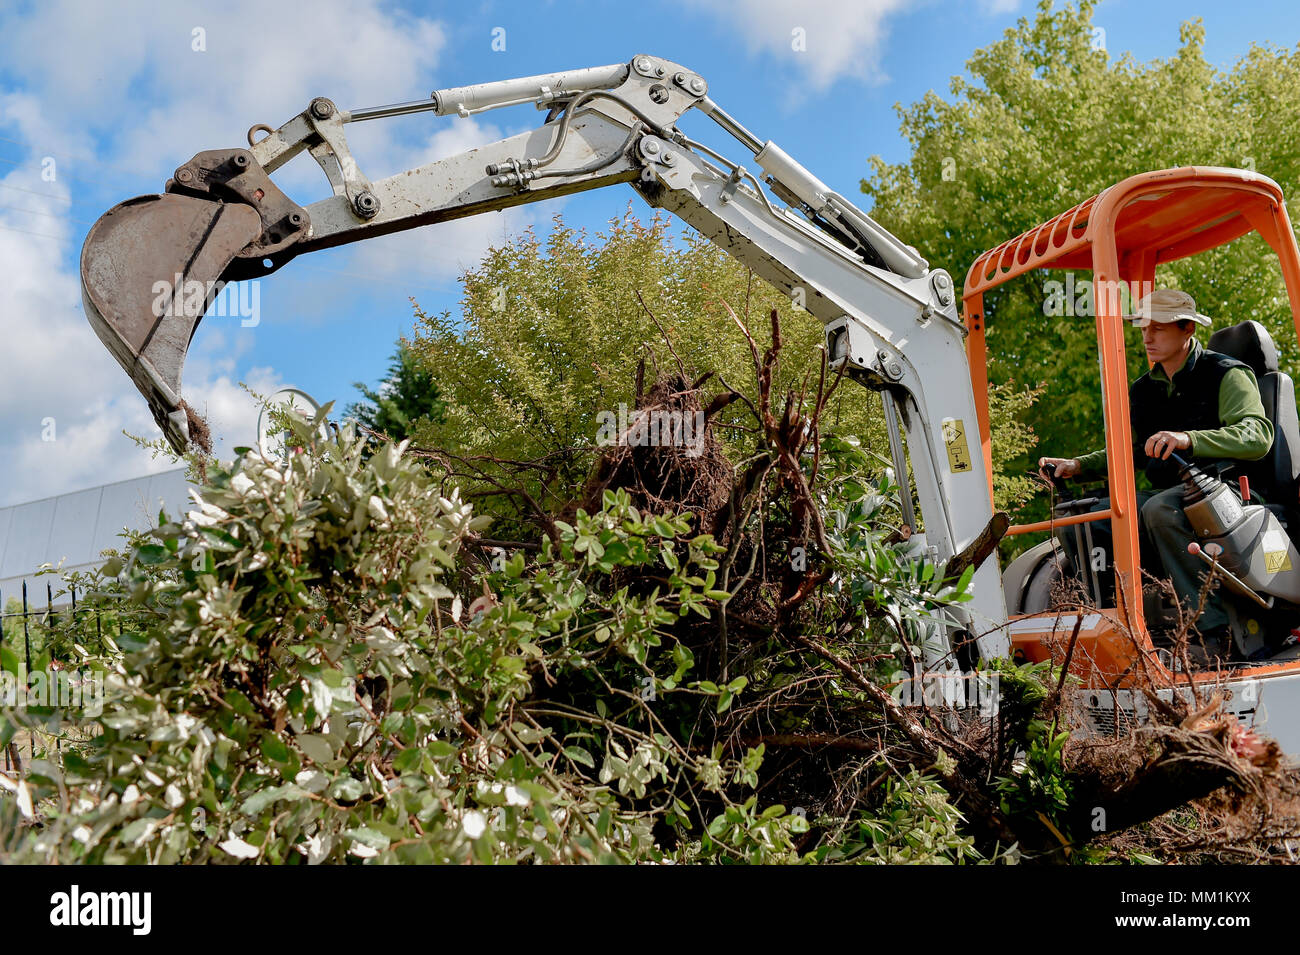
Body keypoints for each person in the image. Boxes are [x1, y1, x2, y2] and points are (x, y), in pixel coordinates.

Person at [1038, 289, 1274, 660]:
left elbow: (1258, 436)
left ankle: (1213, 636)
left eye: (1158, 329)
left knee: (1160, 510)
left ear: (1186, 330)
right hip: (1173, 493)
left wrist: (1188, 439)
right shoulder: (1143, 390)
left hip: (1226, 490)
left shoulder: (1228, 374)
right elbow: (1130, 450)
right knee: (1085, 521)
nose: (1147, 337)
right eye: (1144, 328)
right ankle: (1119, 628)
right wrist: (1079, 465)